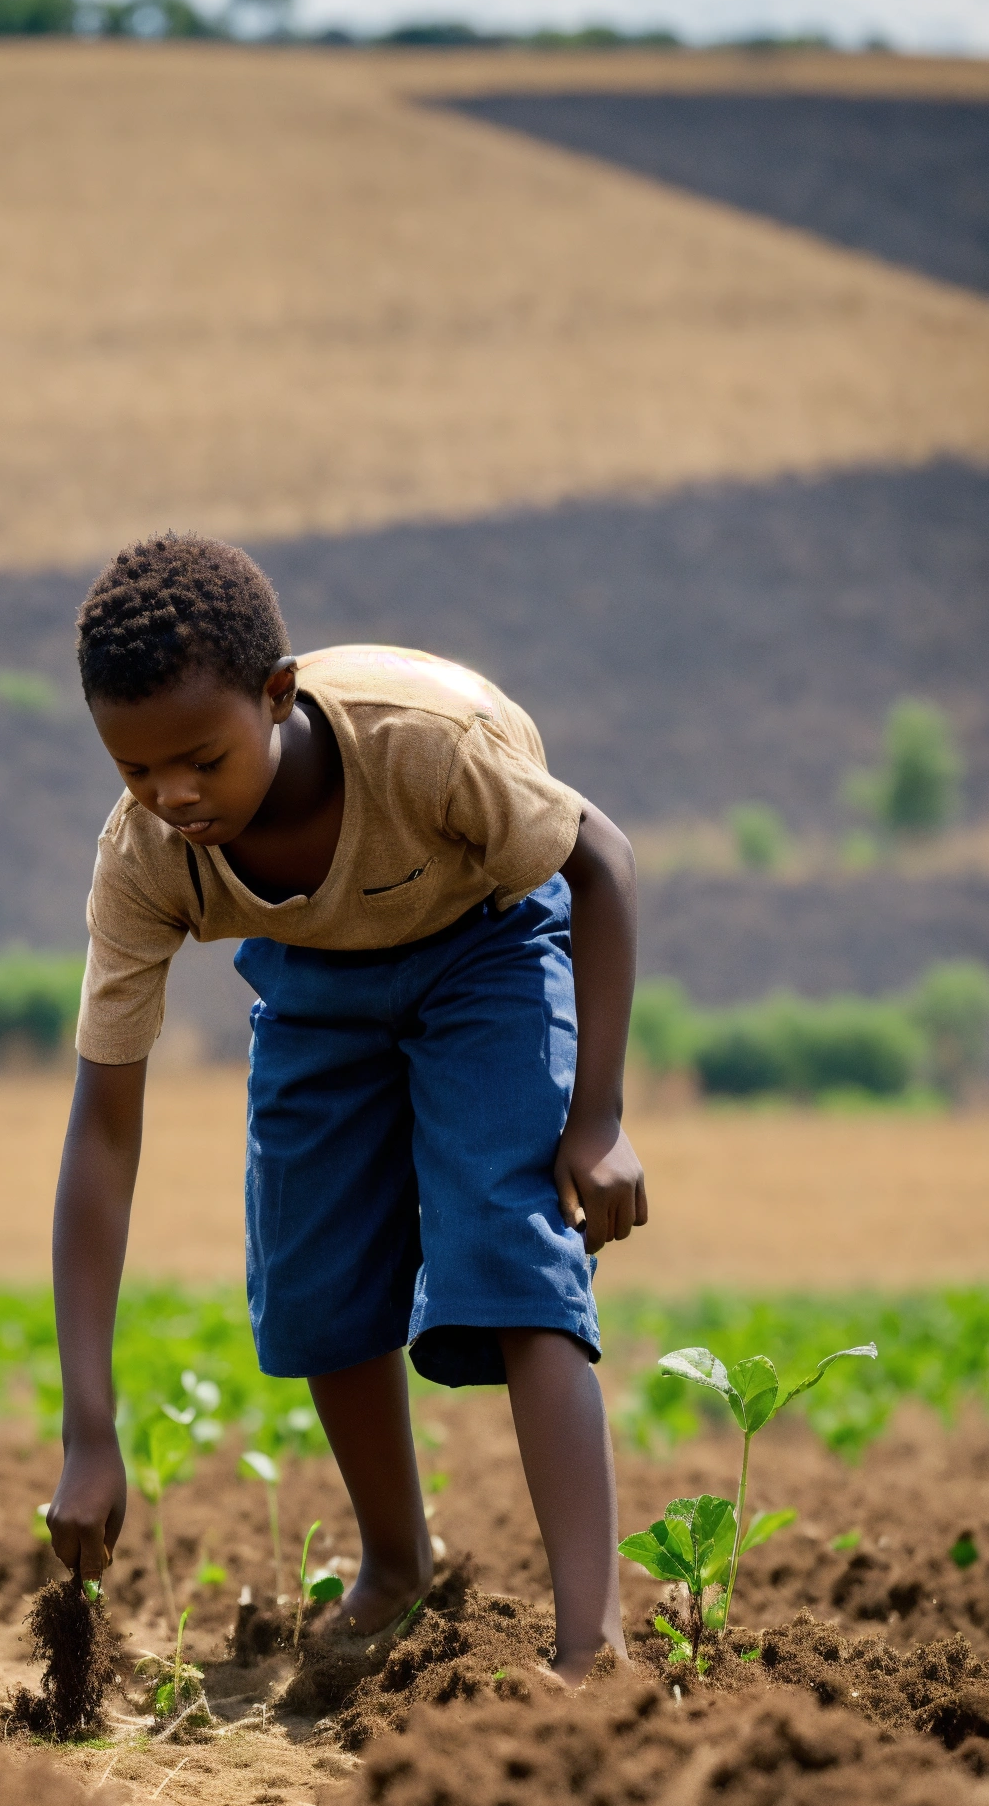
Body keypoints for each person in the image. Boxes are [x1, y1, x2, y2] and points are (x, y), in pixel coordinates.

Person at [46, 534, 647, 1683]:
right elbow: (103, 1133)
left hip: (482, 944)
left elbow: (602, 862)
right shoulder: (144, 858)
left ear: (276, 697)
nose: (173, 796)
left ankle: (590, 1648)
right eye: (135, 770)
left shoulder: (424, 745)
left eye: (201, 760)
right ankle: (396, 1561)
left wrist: (596, 1120)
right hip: (312, 978)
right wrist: (88, 1432)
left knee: (511, 1243)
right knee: (313, 1272)